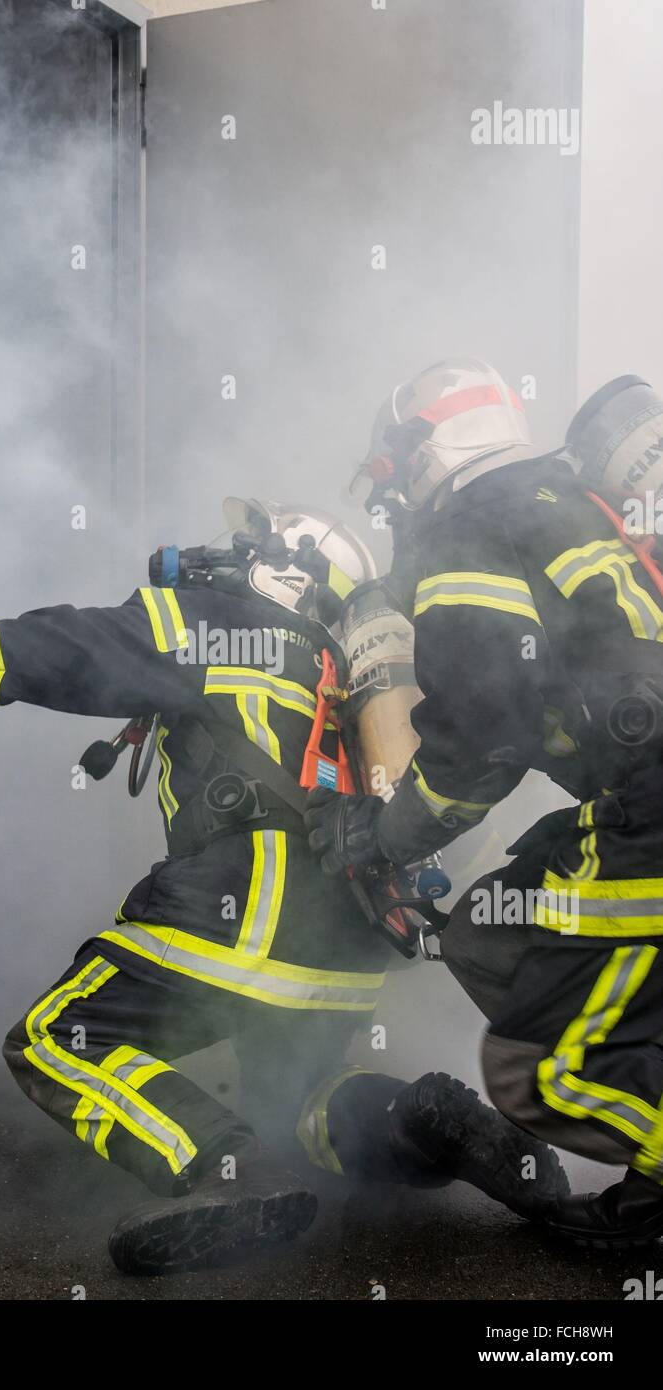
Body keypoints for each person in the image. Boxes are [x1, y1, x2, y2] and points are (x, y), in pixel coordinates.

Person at [0, 496, 566, 1274]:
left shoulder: (220, 625)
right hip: (347, 939)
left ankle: (229, 1174)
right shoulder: (346, 676)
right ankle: (425, 1123)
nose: (221, 553)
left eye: (244, 545)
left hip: (247, 908)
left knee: (56, 1040)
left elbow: (55, 648)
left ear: (278, 566)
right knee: (294, 1096)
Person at [306, 360, 663, 1247]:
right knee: (497, 928)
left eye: (395, 468)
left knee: (529, 1068)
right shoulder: (565, 501)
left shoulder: (472, 529)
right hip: (635, 803)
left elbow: (482, 746)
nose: (392, 496)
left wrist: (385, 835)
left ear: (430, 449)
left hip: (649, 809)